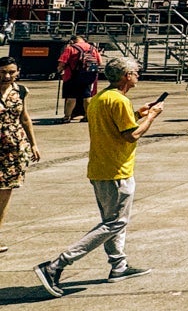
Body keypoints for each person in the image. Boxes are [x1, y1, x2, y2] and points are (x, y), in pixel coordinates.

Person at [35, 56, 163, 296]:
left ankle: (119, 265)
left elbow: (114, 125)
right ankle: (56, 265)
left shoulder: (99, 99)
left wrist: (137, 113)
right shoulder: (119, 101)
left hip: (100, 167)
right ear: (126, 75)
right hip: (117, 169)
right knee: (115, 222)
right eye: (135, 71)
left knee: (114, 220)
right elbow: (131, 136)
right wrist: (151, 116)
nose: (138, 75)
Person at [1, 57, 42, 254]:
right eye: (2, 72)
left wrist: (33, 144)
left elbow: (25, 118)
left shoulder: (21, 91)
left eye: (11, 72)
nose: (7, 76)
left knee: (5, 191)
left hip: (13, 148)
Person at [57, 33, 102, 123]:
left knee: (71, 97)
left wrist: (59, 70)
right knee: (87, 96)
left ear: (73, 41)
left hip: (72, 76)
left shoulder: (71, 48)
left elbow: (62, 62)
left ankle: (67, 117)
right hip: (88, 75)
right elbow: (99, 62)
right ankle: (88, 116)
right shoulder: (92, 48)